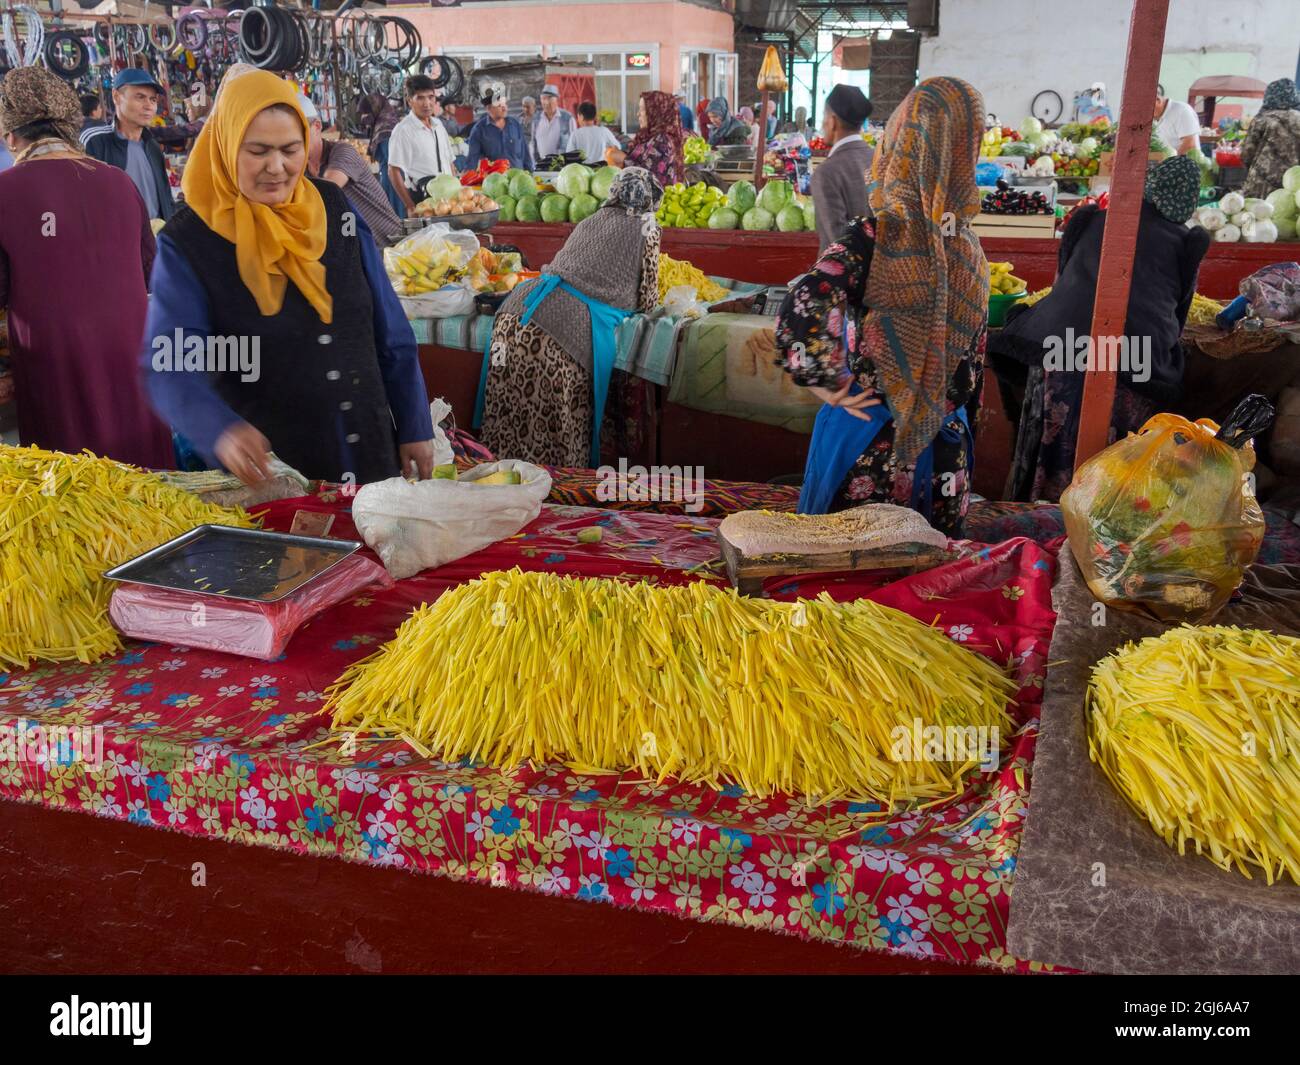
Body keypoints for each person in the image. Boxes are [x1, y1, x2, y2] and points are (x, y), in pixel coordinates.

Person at [143, 70, 434, 486]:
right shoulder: (189, 242)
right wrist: (219, 430)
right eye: (257, 150)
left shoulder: (334, 208)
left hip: (369, 455)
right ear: (226, 146)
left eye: (289, 149)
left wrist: (414, 422)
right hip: (273, 476)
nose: (276, 167)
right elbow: (170, 363)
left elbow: (390, 329)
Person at [774, 77, 989, 538]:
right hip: (940, 451)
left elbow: (804, 301)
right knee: (923, 596)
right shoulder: (965, 242)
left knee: (849, 593)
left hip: (872, 448)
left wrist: (829, 383)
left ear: (902, 139)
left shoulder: (879, 237)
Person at [988, 155, 1211, 503]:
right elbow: (1178, 315)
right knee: (1114, 459)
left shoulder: (1095, 219)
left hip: (1057, 345)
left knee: (1047, 437)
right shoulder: (1186, 241)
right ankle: (1103, 515)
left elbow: (1064, 284)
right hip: (1131, 357)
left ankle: (1035, 507)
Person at [0, 66, 172, 468]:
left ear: (11, 136)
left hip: (59, 374)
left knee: (81, 501)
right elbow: (150, 274)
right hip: (133, 365)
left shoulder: (5, 192)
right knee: (153, 491)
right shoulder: (118, 183)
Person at [478, 167, 662, 467]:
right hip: (559, 330)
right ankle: (557, 492)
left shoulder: (591, 219)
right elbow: (648, 293)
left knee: (508, 412)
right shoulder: (647, 226)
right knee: (559, 427)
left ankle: (501, 484)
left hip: (513, 313)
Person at [301, 95, 402, 248]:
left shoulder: (343, 151)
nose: (292, 140)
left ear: (316, 126)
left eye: (299, 131)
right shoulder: (303, 169)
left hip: (390, 247)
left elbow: (329, 188)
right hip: (360, 250)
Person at [81, 69, 175, 222]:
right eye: (140, 97)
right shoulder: (94, 143)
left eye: (153, 100)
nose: (149, 106)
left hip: (155, 239)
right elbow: (82, 204)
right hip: (117, 241)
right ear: (116, 97)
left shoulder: (152, 146)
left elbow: (165, 197)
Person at [811, 84, 873, 251]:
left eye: (824, 117)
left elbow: (838, 241)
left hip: (844, 274)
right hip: (880, 272)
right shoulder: (879, 160)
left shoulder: (826, 173)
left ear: (832, 121)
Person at [387, 75, 455, 214]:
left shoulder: (439, 125)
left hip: (448, 202)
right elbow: (393, 171)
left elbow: (450, 162)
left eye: (430, 97)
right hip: (423, 201)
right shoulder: (403, 130)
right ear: (410, 101)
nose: (427, 103)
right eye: (420, 98)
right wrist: (410, 206)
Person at [608, 91, 685, 188]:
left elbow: (651, 178)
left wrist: (624, 159)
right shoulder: (651, 136)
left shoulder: (663, 141)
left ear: (656, 113)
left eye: (642, 110)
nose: (638, 114)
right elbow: (645, 160)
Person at [1241, 78, 1300, 199]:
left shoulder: (1261, 119)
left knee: (1257, 216)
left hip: (1260, 186)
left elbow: (1246, 155)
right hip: (1292, 189)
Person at [465, 84, 532, 172]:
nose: (504, 108)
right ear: (489, 108)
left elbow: (525, 155)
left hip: (518, 180)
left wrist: (531, 174)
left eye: (505, 104)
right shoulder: (479, 130)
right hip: (494, 182)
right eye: (499, 105)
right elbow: (472, 161)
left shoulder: (515, 125)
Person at [358, 91, 404, 217]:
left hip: (394, 182)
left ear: (376, 109)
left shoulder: (387, 130)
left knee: (396, 216)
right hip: (389, 179)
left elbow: (393, 165)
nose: (364, 117)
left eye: (367, 112)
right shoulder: (382, 125)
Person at [532, 84, 575, 163]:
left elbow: (574, 143)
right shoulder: (536, 119)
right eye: (543, 98)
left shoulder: (567, 118)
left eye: (550, 99)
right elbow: (533, 144)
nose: (546, 102)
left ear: (557, 100)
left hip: (561, 165)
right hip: (542, 165)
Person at [1154, 89, 1201, 156]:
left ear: (1157, 100)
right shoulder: (1155, 117)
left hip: (1186, 163)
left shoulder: (1181, 110)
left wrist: (1171, 163)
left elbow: (1190, 144)